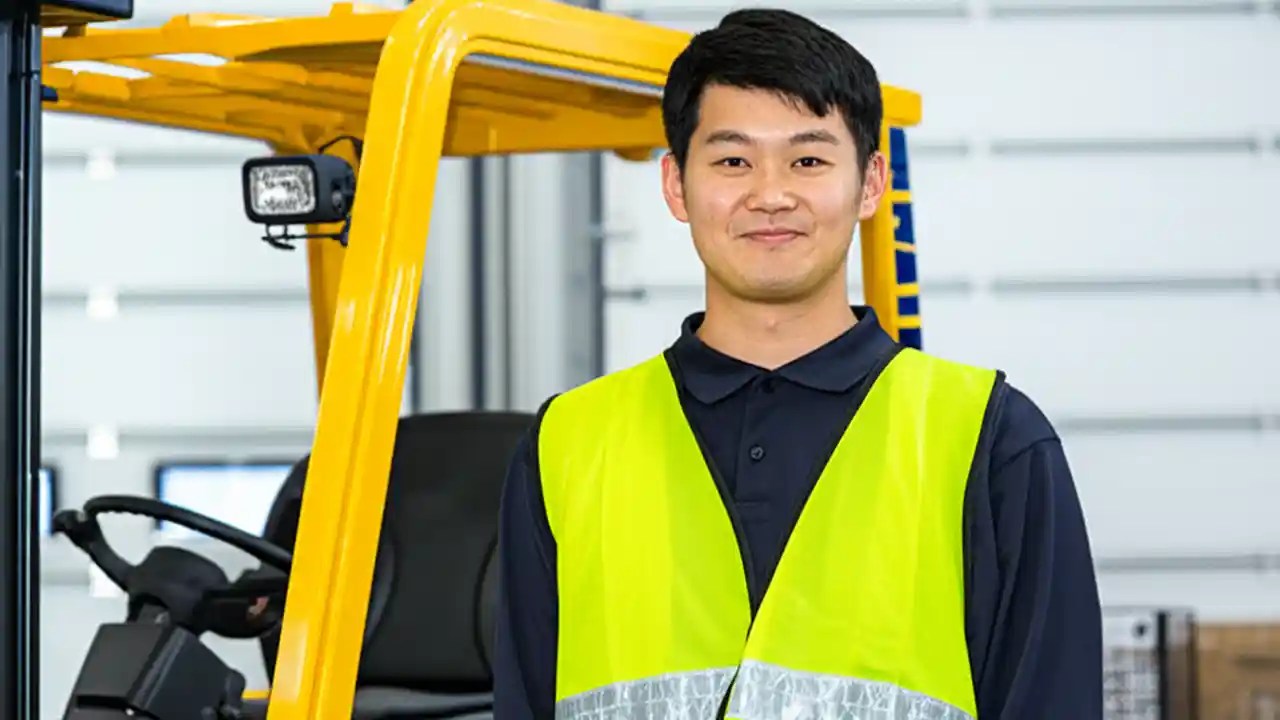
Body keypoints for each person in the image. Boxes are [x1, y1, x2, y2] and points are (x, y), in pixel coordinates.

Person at [493, 8, 1102, 719]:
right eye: (732, 160)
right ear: (675, 185)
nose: (771, 194)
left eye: (808, 159)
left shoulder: (990, 441)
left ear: (871, 183)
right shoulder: (569, 442)